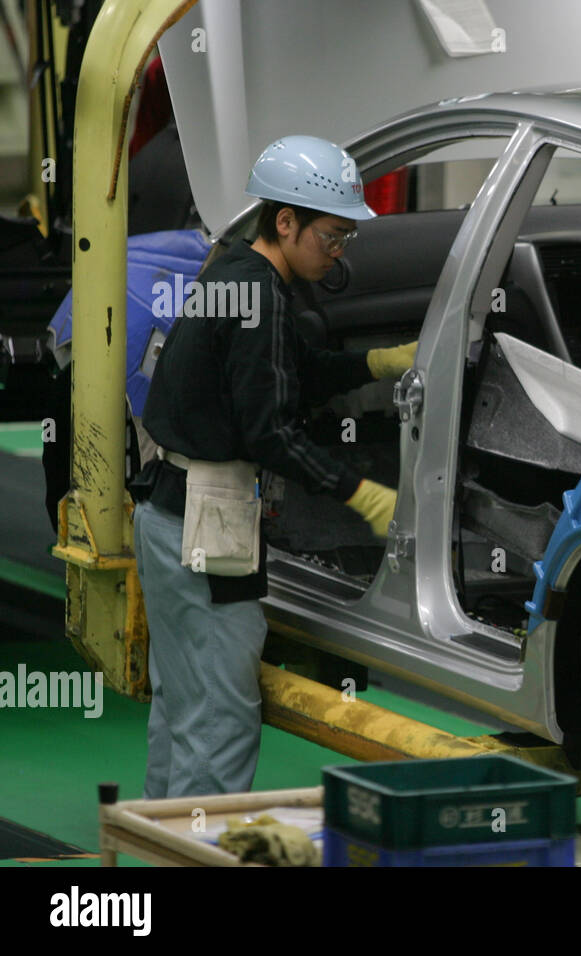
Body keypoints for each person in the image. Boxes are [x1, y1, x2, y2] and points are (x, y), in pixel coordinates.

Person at [129, 135, 417, 798]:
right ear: (285, 222)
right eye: (332, 236)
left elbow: (278, 373)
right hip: (208, 526)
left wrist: (371, 364)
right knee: (224, 718)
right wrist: (361, 492)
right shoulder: (259, 297)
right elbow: (271, 433)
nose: (338, 251)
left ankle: (162, 846)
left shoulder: (233, 272)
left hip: (165, 512)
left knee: (181, 704)